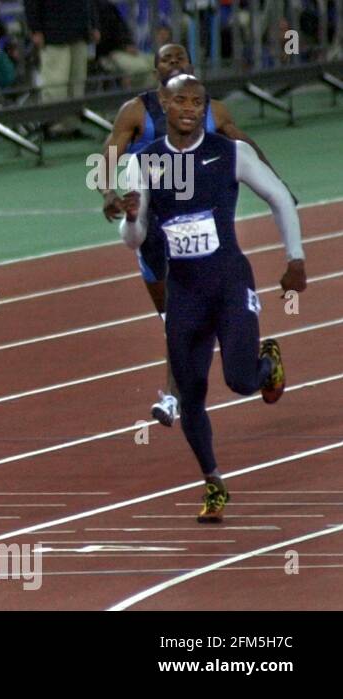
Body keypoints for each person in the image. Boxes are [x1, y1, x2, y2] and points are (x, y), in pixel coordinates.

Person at [119, 75, 306, 524]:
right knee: (191, 395)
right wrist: (129, 220)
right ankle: (213, 481)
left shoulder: (230, 154)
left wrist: (295, 259)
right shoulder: (142, 164)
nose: (188, 108)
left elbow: (280, 198)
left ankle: (267, 364)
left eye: (197, 102)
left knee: (241, 381)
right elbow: (134, 239)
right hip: (183, 294)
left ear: (204, 108)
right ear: (163, 104)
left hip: (228, 284)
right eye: (179, 100)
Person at [99, 43, 290, 427]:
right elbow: (107, 156)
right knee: (169, 314)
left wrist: (275, 180)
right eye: (166, 59)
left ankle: (173, 395)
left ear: (190, 64)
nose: (173, 62)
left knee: (181, 312)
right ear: (155, 71)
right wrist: (108, 192)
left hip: (203, 224)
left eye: (180, 57)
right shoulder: (136, 111)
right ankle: (186, 387)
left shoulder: (212, 110)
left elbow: (244, 144)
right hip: (155, 226)